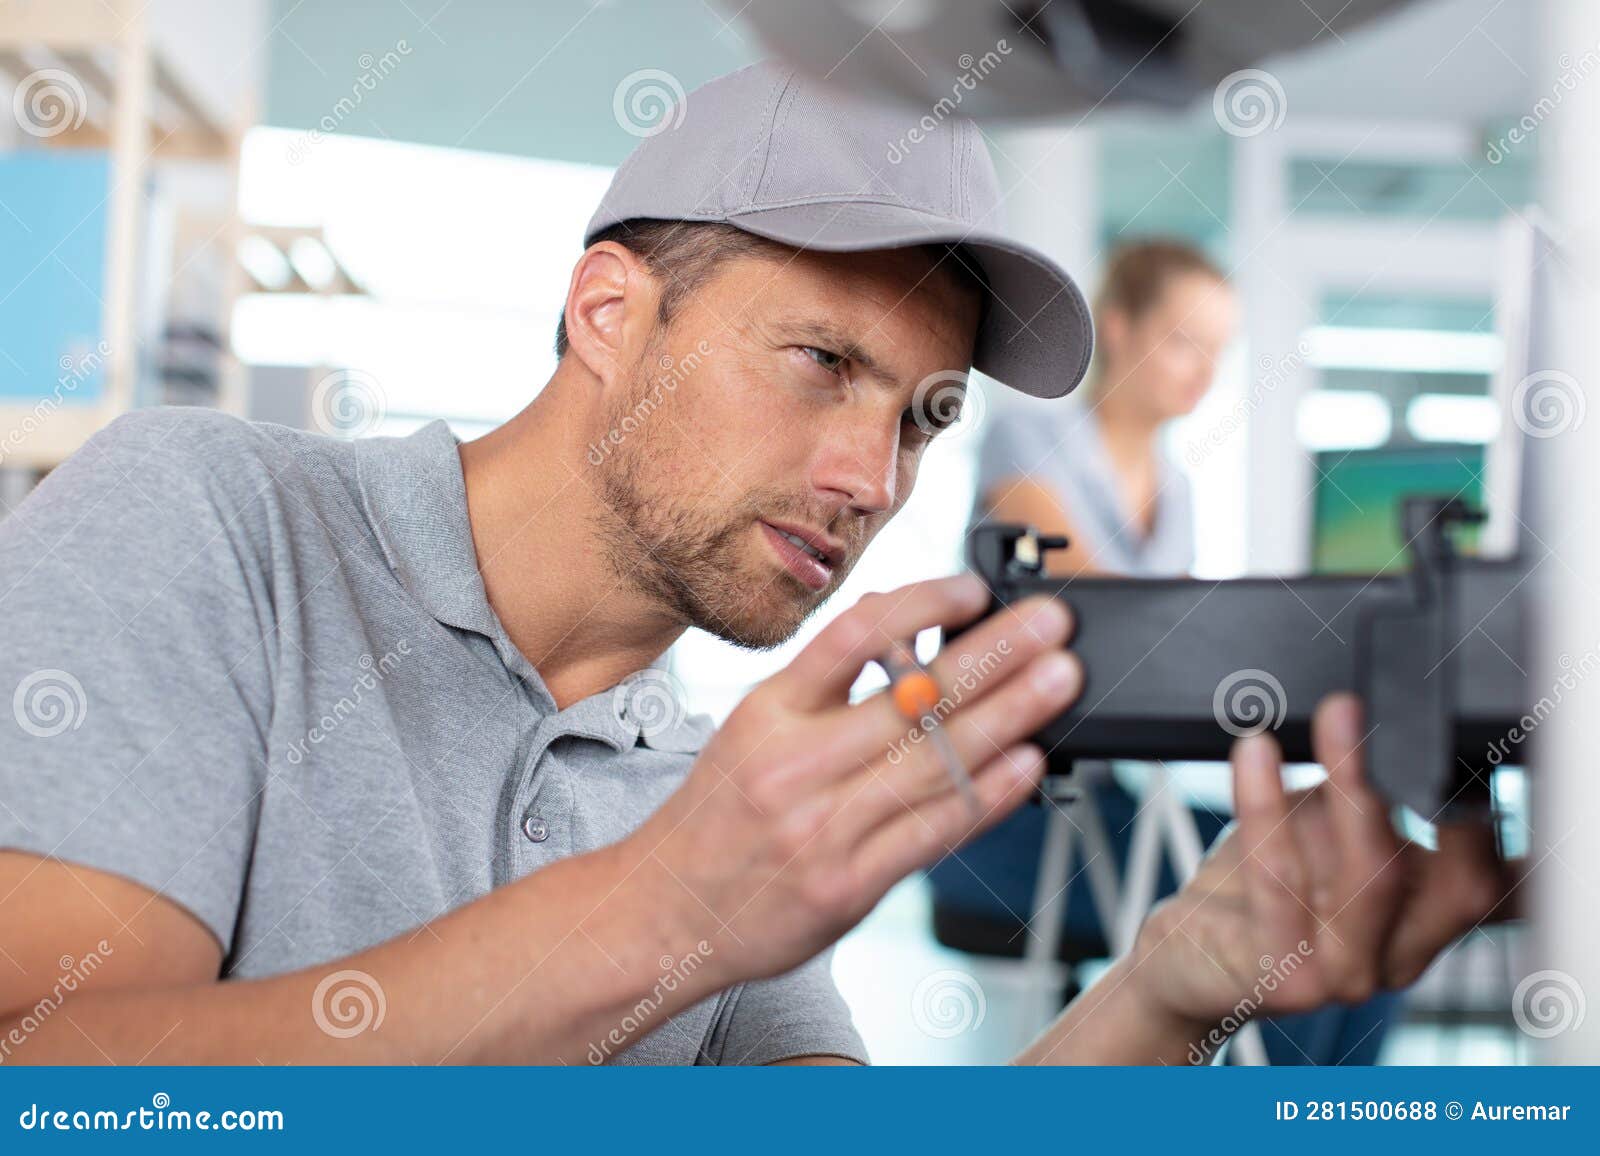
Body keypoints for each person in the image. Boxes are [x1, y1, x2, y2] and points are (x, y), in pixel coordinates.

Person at [0, 63, 1513, 1066]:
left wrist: (1176, 983)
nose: (874, 481)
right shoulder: (211, 521)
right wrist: (661, 911)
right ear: (610, 314)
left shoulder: (704, 774)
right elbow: (44, 1082)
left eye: (923, 416)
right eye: (819, 362)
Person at [928, 239, 1402, 1063]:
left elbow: (1178, 646)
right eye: (1186, 341)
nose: (1204, 370)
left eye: (1219, 351)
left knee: (1352, 890)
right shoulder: (1028, 439)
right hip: (1002, 823)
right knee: (1284, 908)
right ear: (1119, 327)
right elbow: (1112, 617)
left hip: (1112, 807)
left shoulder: (1174, 489)